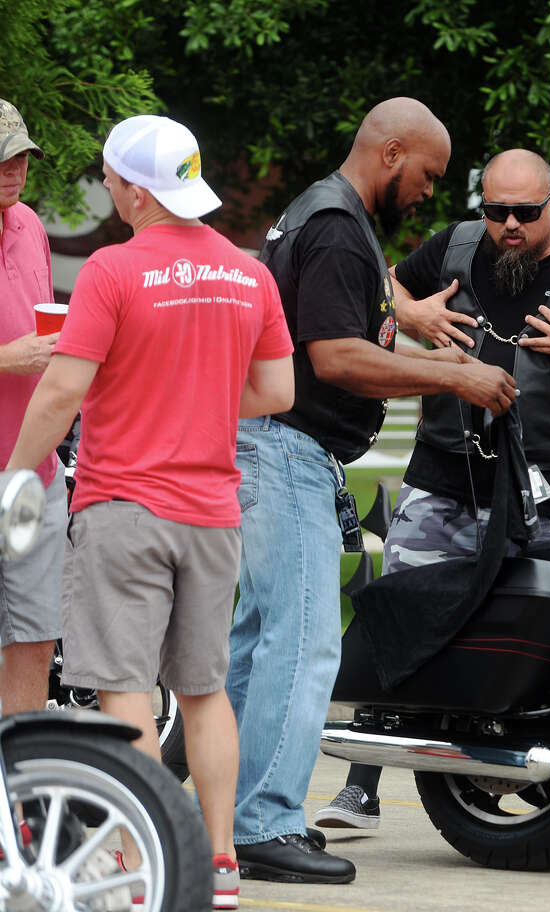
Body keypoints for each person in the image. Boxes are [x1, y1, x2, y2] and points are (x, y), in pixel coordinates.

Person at [313, 147, 550, 831]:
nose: (509, 224)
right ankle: (361, 787)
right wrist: (411, 315)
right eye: (496, 210)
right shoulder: (453, 247)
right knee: (400, 618)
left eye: (525, 213)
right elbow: (380, 283)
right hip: (446, 476)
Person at [7, 113, 295, 911]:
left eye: (110, 179)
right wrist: (197, 398)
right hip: (213, 512)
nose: (108, 190)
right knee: (203, 691)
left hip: (124, 508)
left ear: (137, 191)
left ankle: (139, 855)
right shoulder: (247, 272)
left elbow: (62, 391)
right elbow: (278, 391)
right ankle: (221, 862)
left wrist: (15, 475)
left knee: (125, 690)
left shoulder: (112, 270)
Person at [226, 98, 516, 885]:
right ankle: (263, 825)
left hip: (277, 447)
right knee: (304, 641)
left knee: (259, 643)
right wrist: (454, 376)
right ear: (391, 152)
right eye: (429, 174)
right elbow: (336, 358)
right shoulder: (334, 225)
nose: (429, 192)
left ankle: (229, 817)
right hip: (289, 448)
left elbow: (348, 332)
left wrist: (420, 339)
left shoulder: (328, 215)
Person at [0, 98, 67, 719]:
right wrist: (6, 358)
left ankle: (16, 769)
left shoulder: (29, 225)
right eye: (2, 158)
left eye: (21, 156)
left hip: (35, 476)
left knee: (34, 637)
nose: (14, 169)